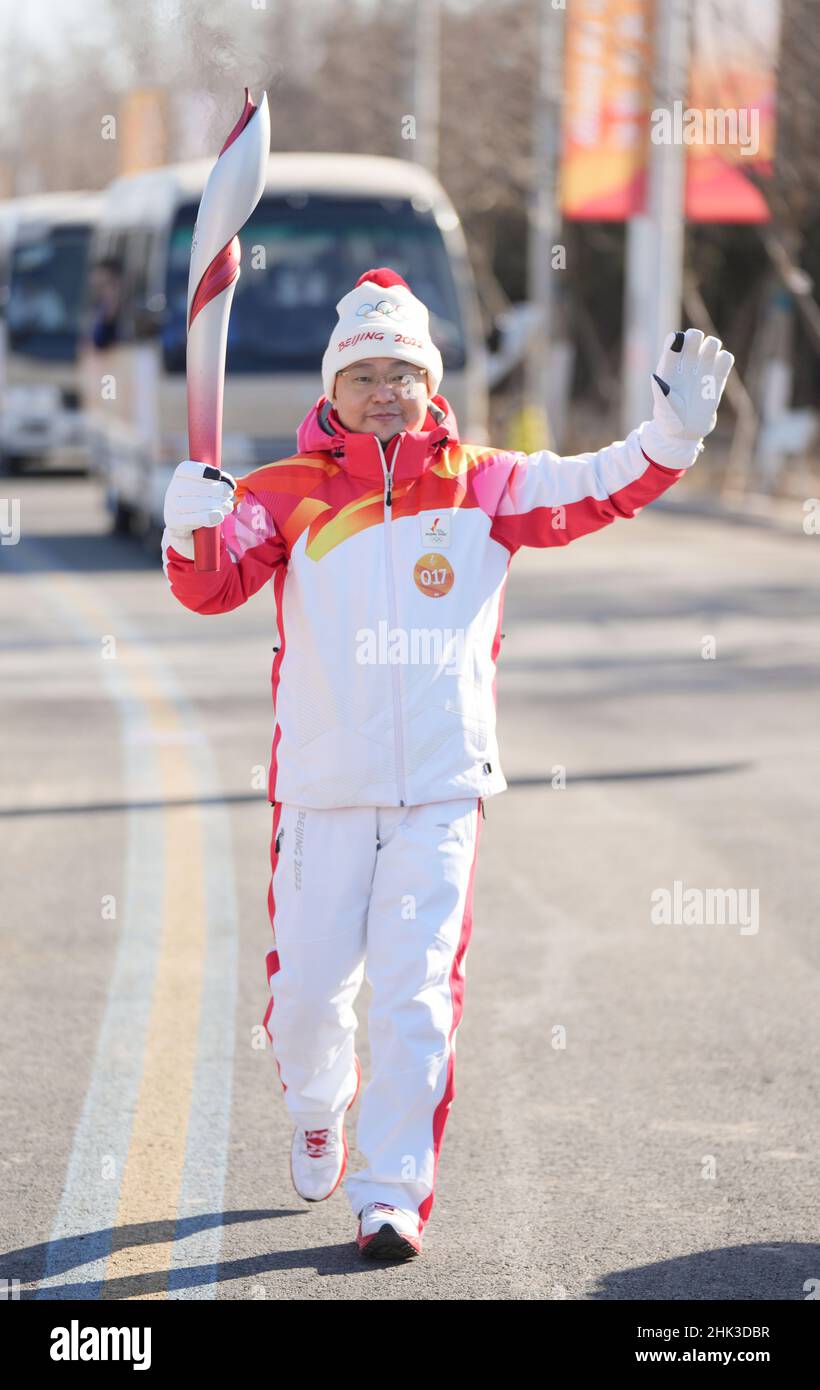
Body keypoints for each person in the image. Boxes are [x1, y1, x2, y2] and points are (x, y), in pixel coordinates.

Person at [161, 266, 733, 1261]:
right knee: (304, 1004)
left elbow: (596, 487)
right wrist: (188, 524)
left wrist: (670, 439)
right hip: (323, 795)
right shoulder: (283, 494)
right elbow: (210, 588)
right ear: (331, 391)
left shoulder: (483, 484)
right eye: (363, 374)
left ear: (431, 382)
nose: (384, 391)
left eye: (404, 373)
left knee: (416, 994)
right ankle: (316, 1102)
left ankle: (390, 1196)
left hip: (441, 793)